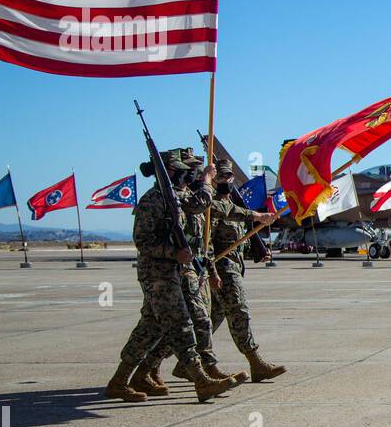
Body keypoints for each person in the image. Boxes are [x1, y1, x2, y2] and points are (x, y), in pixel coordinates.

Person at [107, 148, 237, 404]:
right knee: (180, 325)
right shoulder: (153, 200)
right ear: (171, 172)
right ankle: (201, 380)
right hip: (158, 274)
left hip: (181, 272)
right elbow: (142, 241)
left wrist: (209, 183)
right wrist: (172, 253)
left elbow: (199, 205)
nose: (190, 174)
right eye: (184, 170)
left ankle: (124, 380)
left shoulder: (180, 196)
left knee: (154, 328)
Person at [206, 159, 286, 381]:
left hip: (233, 266)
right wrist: (211, 271)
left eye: (229, 177)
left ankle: (181, 363)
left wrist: (256, 251)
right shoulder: (211, 205)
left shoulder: (233, 204)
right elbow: (207, 245)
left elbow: (238, 239)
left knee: (210, 318)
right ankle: (255, 362)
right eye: (221, 177)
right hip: (221, 269)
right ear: (213, 179)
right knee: (239, 312)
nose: (226, 181)